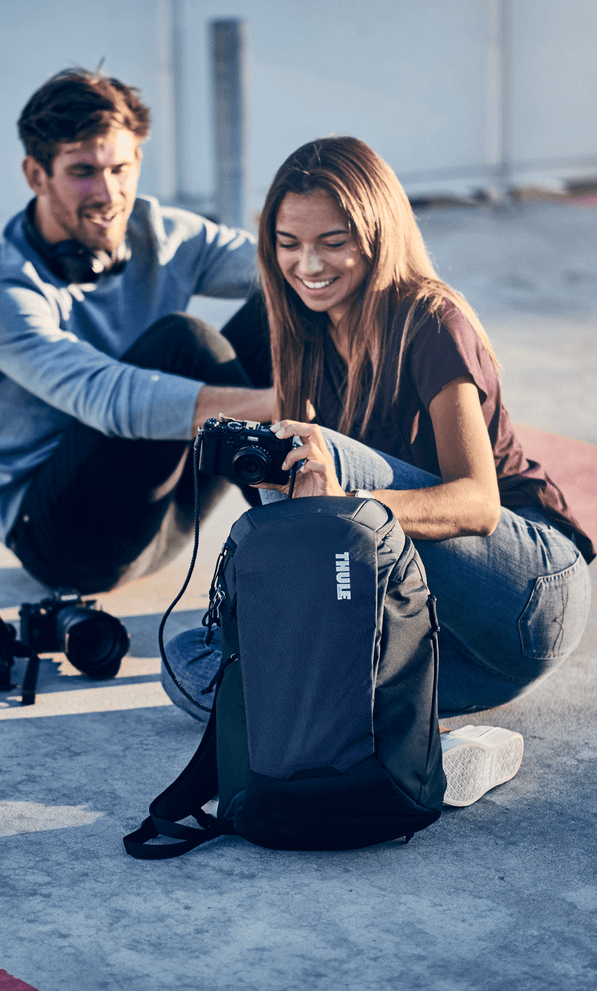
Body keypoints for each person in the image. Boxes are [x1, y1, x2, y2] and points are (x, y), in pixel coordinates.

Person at [165, 136, 594, 807]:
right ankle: (441, 752)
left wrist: (347, 506)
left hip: (527, 590)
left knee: (315, 447)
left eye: (332, 241)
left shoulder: (429, 320)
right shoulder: (304, 335)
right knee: (193, 662)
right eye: (287, 242)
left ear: (374, 233)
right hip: (445, 640)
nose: (306, 264)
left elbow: (477, 503)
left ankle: (395, 735)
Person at [0, 68, 277, 595]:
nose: (108, 193)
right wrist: (279, 404)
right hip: (66, 543)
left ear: (138, 161)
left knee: (299, 298)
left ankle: (360, 524)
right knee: (185, 343)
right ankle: (315, 549)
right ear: (36, 175)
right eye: (83, 172)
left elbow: (288, 267)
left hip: (165, 515)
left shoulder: (164, 233)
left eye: (120, 169)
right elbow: (108, 399)